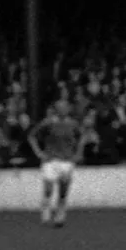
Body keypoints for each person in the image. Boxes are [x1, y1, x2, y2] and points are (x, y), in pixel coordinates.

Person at [29, 97, 87, 228]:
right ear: (56, 109)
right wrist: (39, 153)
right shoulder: (48, 123)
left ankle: (60, 212)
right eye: (60, 108)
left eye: (65, 107)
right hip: (51, 159)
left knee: (63, 188)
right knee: (49, 187)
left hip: (66, 159)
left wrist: (78, 153)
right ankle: (46, 206)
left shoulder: (73, 124)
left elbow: (82, 136)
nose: (63, 110)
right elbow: (32, 136)